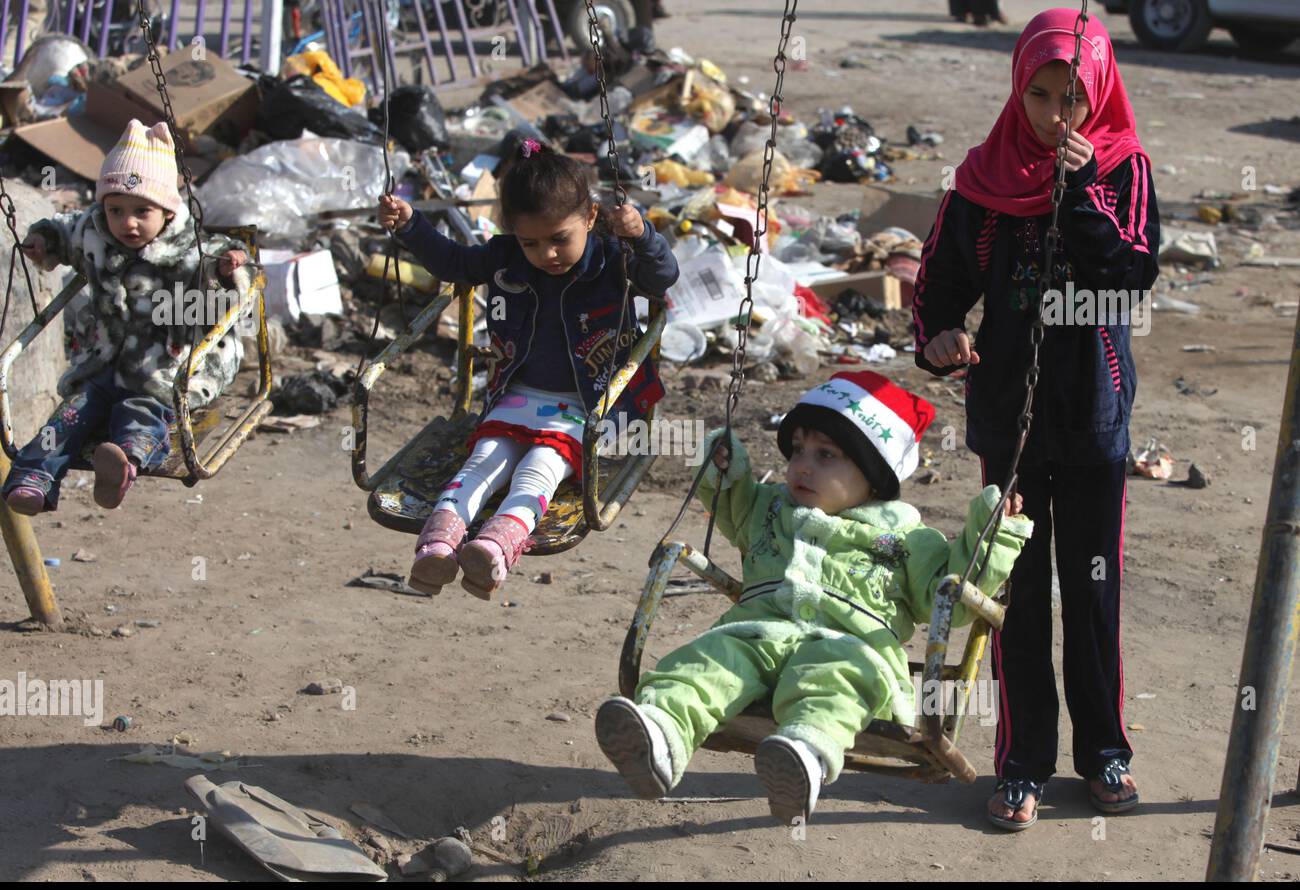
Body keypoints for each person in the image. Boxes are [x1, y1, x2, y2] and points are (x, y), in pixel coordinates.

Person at [911, 9, 1160, 830]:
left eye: (1073, 100)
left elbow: (1130, 276)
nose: (1057, 117)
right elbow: (940, 288)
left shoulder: (1122, 173)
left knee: (1093, 594)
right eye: (1041, 95)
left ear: (1099, 97)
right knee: (1013, 597)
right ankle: (1021, 764)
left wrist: (1080, 195)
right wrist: (941, 337)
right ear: (1018, 91)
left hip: (1093, 419)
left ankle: (1105, 755)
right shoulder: (983, 182)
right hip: (1009, 432)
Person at [595, 372, 1033, 824]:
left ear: (875, 477)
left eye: (826, 455)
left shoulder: (908, 539)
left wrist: (993, 531)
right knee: (708, 659)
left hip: (854, 647)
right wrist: (723, 465)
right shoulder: (770, 507)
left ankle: (803, 755)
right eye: (798, 450)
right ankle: (660, 737)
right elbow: (733, 498)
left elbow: (956, 595)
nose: (802, 465)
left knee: (834, 681)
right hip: (757, 632)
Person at [379, 139, 678, 600]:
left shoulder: (611, 259)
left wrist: (641, 236)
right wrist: (412, 225)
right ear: (514, 235)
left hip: (586, 405)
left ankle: (495, 547)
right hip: (516, 396)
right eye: (531, 243)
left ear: (591, 219)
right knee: (481, 462)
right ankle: (437, 548)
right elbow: (454, 263)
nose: (547, 254)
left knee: (540, 468)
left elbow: (662, 277)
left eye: (560, 239)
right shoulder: (506, 258)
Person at [3, 119, 250, 516]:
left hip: (160, 367)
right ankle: (32, 479)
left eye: (141, 211)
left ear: (167, 212)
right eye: (115, 210)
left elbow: (227, 263)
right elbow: (64, 231)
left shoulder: (188, 248)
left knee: (142, 415)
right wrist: (43, 241)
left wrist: (229, 267)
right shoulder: (94, 233)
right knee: (68, 417)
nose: (127, 222)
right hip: (101, 362)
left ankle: (124, 462)